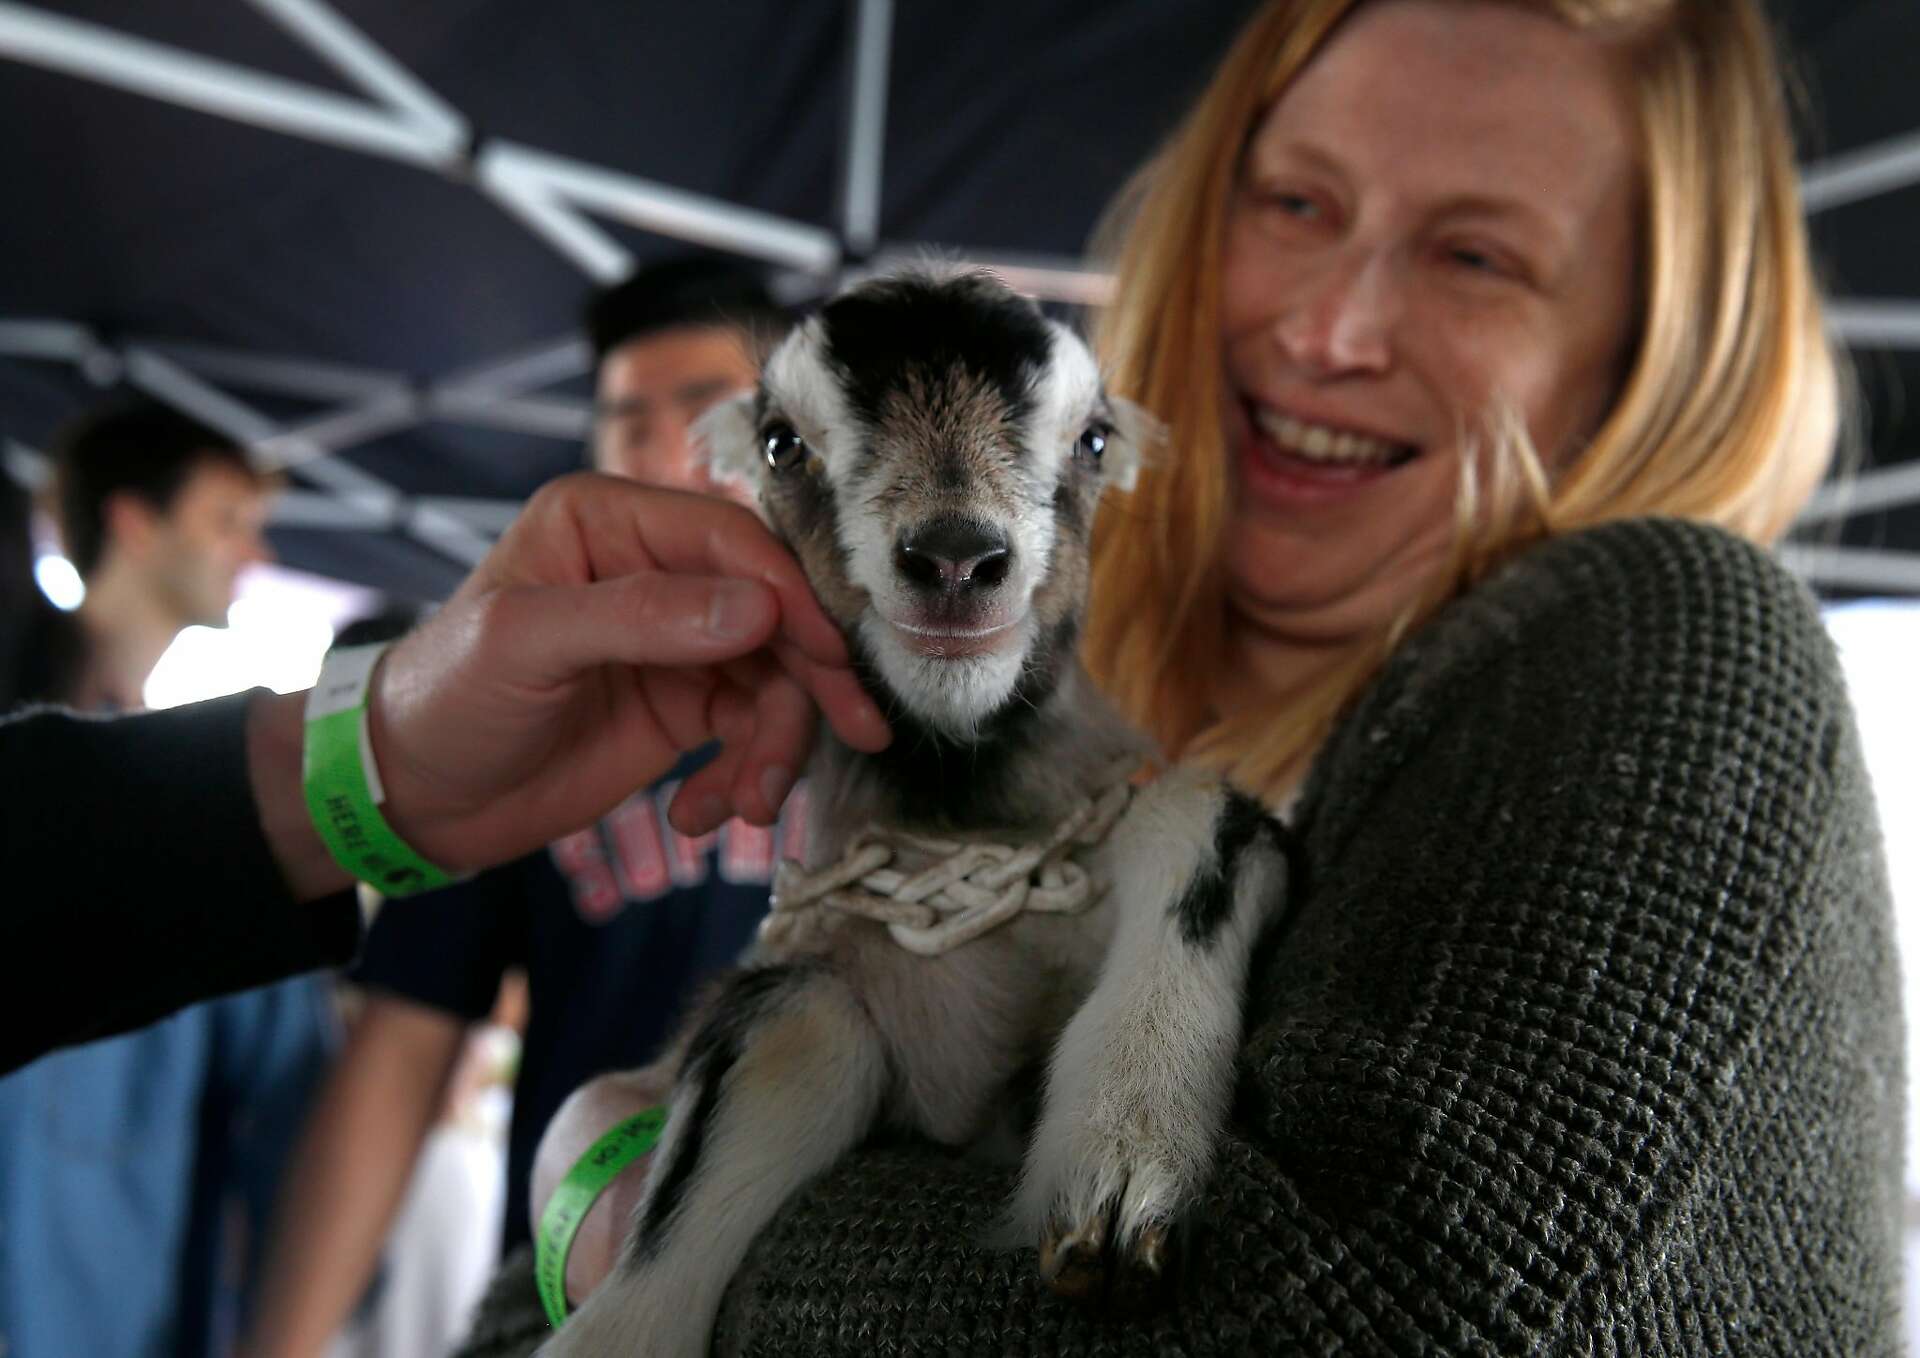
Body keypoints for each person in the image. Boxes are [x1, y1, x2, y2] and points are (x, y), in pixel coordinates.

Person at [497, 1, 1901, 1354]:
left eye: (1477, 257)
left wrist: (623, 1200)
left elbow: (1369, 1325)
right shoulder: (1069, 705)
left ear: (1653, 351)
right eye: (1295, 203)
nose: (1329, 329)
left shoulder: (1662, 632)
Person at [240, 256, 799, 1358]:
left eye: (711, 415)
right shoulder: (528, 707)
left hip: (844, 1299)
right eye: (627, 421)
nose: (665, 453)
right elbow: (404, 1038)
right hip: (570, 1302)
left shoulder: (892, 691)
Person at [1, 470, 890, 1068]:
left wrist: (375, 757)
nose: (256, 551)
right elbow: (404, 1042)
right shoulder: (565, 708)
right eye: (228, 520)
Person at [0, 401, 339, 1358]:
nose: (252, 551)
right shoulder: (183, 824)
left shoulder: (206, 824)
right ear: (133, 521)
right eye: (225, 519)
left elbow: (283, 1108)